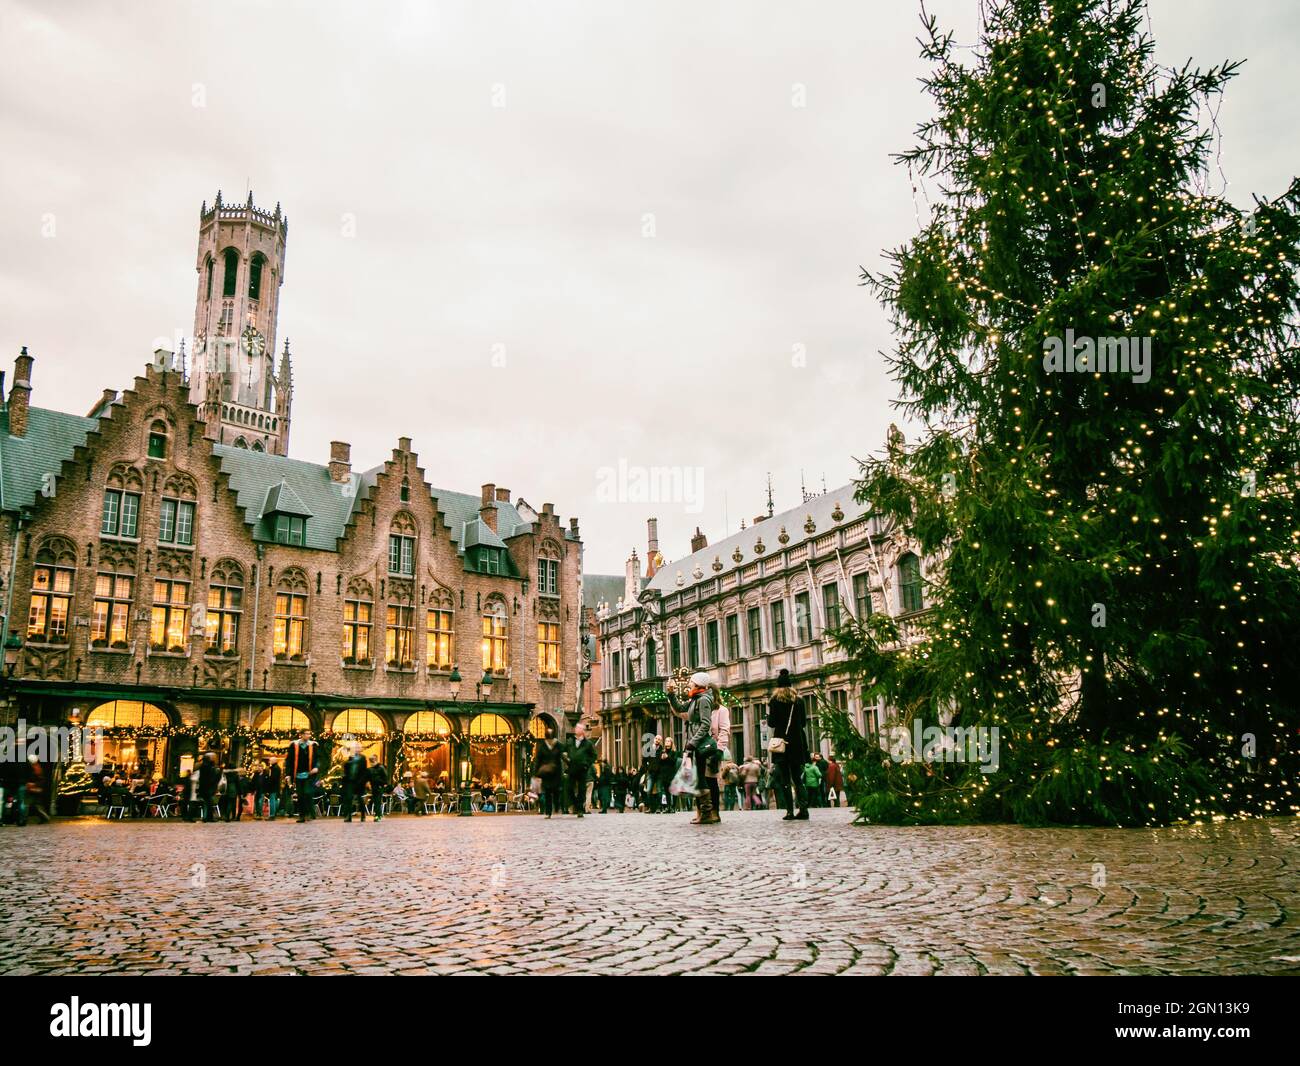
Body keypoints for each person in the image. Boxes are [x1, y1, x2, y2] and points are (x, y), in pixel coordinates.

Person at [666, 671, 722, 825]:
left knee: (700, 778)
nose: (689, 683)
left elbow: (705, 724)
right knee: (698, 778)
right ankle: (704, 813)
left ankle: (706, 812)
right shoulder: (695, 698)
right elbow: (679, 707)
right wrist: (671, 694)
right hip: (693, 742)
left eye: (691, 681)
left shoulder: (704, 699)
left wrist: (693, 742)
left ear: (698, 684)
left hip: (698, 744)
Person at [767, 670, 810, 821]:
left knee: (785, 779)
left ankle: (789, 811)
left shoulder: (774, 701)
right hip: (797, 742)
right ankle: (804, 810)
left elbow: (772, 723)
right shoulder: (799, 701)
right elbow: (803, 723)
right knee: (798, 779)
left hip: (781, 743)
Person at [284, 730, 320, 822]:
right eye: (306, 734)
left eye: (309, 734)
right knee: (300, 795)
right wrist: (288, 774)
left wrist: (316, 767)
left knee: (307, 793)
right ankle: (302, 816)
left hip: (309, 774)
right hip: (298, 775)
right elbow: (289, 761)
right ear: (301, 735)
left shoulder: (313, 745)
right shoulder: (294, 745)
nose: (308, 735)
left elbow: (318, 758)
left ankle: (309, 813)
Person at [564, 723, 596, 817]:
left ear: (582, 731)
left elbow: (593, 755)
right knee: (569, 788)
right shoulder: (570, 741)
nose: (576, 730)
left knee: (582, 790)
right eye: (576, 728)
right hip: (572, 768)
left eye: (579, 728)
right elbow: (564, 751)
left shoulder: (588, 743)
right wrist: (566, 759)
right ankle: (575, 804)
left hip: (582, 769)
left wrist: (587, 764)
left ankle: (580, 810)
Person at [531, 728, 564, 818]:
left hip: (556, 772)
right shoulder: (542, 746)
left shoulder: (558, 745)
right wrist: (536, 772)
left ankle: (557, 806)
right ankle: (548, 812)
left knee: (556, 791)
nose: (549, 741)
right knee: (548, 792)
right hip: (546, 773)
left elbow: (563, 756)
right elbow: (538, 760)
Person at [341, 744, 369, 822]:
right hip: (350, 781)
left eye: (358, 747)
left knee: (360, 799)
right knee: (349, 798)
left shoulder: (363, 758)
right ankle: (348, 816)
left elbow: (364, 771)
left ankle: (363, 815)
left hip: (359, 782)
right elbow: (346, 768)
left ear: (361, 749)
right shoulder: (350, 758)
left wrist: (364, 781)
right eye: (355, 747)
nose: (356, 749)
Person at [196, 751, 221, 823]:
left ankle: (208, 817)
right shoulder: (209, 767)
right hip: (208, 787)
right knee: (208, 802)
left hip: (206, 787)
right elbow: (212, 778)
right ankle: (206, 817)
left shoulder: (204, 766)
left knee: (208, 802)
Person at [654, 736, 677, 813]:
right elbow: (659, 763)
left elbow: (673, 762)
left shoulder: (673, 752)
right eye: (666, 741)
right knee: (666, 791)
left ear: (671, 743)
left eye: (668, 741)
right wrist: (661, 758)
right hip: (664, 774)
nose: (667, 742)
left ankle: (673, 807)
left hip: (671, 774)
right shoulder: (662, 752)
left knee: (673, 791)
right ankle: (668, 806)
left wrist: (667, 757)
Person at [368, 755, 388, 820]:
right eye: (370, 762)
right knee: (375, 801)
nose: (371, 763)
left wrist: (382, 783)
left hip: (379, 787)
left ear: (376, 761)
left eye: (372, 762)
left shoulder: (381, 768)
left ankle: (378, 815)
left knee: (377, 801)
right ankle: (379, 814)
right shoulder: (371, 769)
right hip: (373, 787)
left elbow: (385, 777)